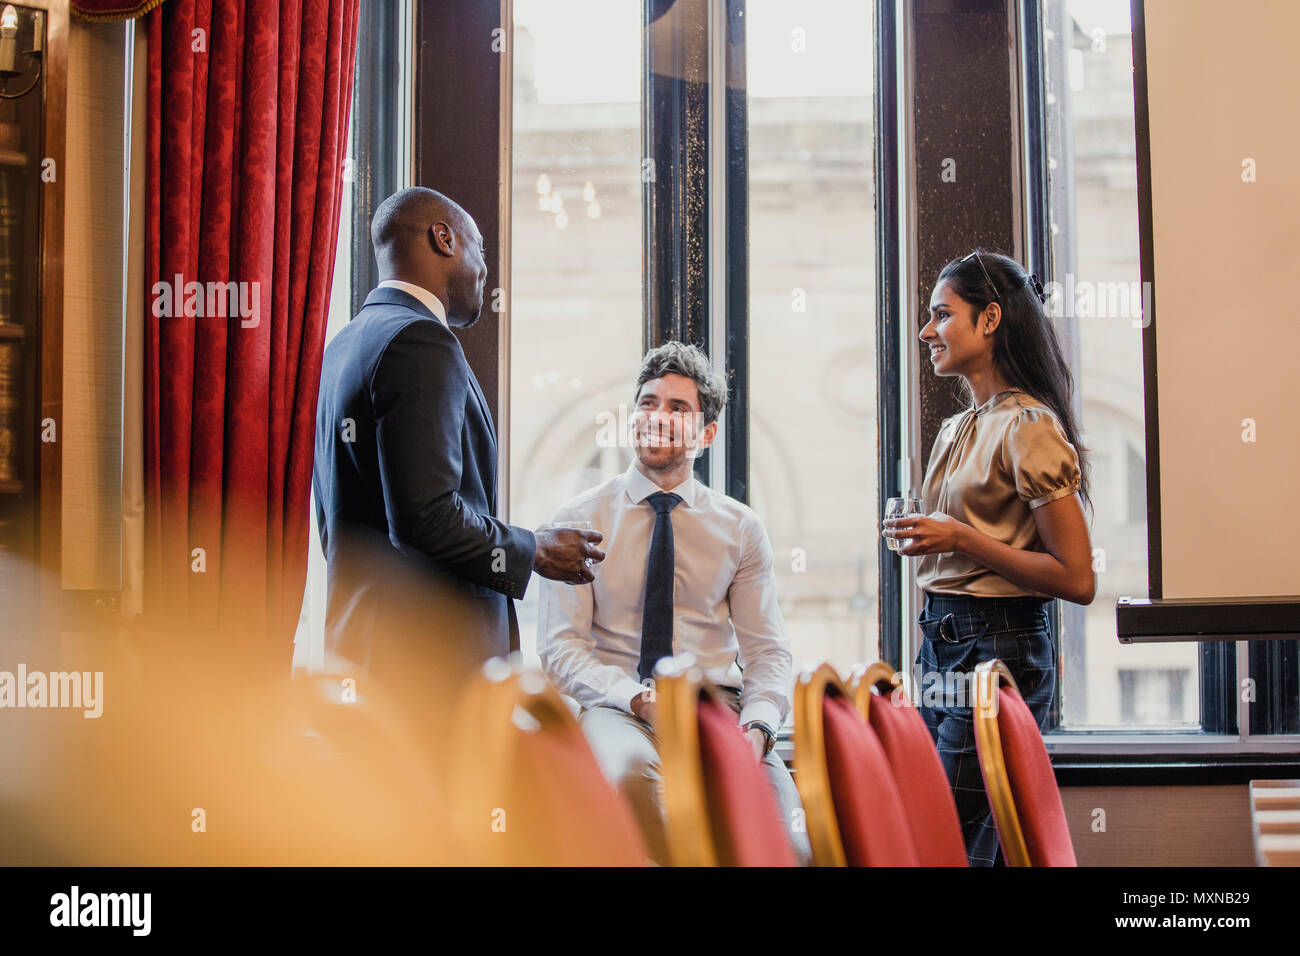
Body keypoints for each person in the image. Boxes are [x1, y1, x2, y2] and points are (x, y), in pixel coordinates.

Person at [313, 187, 604, 733]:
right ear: (443, 238)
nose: (485, 271)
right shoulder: (421, 341)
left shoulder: (346, 343)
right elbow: (425, 517)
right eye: (480, 249)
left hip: (362, 657)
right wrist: (535, 548)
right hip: (427, 672)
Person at [536, 341, 810, 865]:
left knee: (789, 846)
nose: (657, 416)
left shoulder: (740, 529)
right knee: (639, 797)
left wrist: (757, 727)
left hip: (719, 709)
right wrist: (638, 701)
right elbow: (561, 649)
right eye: (647, 402)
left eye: (677, 408)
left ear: (705, 435)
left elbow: (767, 652)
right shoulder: (577, 519)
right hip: (619, 708)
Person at [882, 250, 1095, 867]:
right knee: (942, 831)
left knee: (945, 841)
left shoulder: (1029, 425)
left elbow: (1078, 580)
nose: (927, 332)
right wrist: (932, 540)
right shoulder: (958, 428)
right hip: (942, 640)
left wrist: (962, 539)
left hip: (997, 645)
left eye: (941, 315)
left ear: (991, 319)